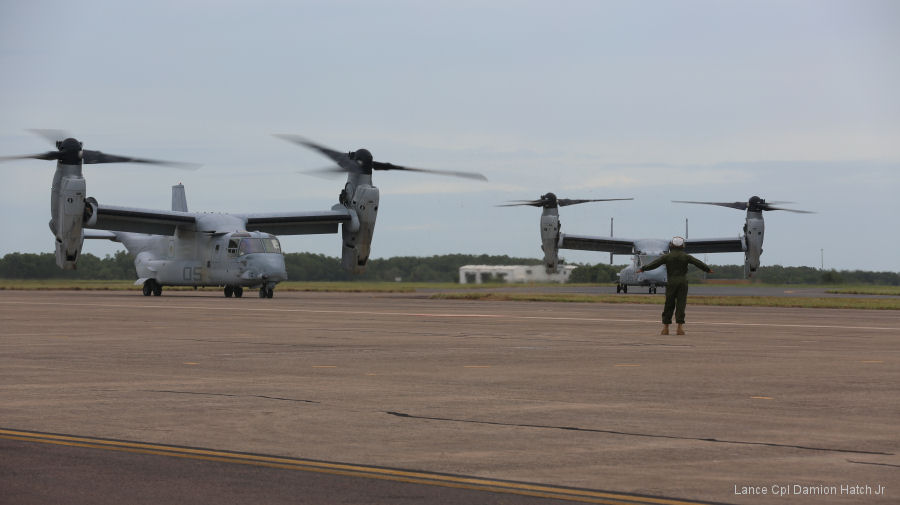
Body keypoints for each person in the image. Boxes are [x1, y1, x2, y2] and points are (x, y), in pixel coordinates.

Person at [638, 236, 713, 335]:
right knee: (681, 304)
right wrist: (707, 269)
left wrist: (643, 268)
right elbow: (698, 263)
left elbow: (655, 264)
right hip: (682, 282)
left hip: (671, 282)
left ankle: (665, 328)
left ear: (671, 245)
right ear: (682, 246)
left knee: (669, 304)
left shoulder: (667, 256)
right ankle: (679, 328)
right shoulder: (686, 256)